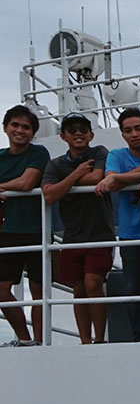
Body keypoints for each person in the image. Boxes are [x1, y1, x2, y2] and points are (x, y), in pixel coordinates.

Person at [41, 112, 112, 345]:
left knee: (93, 283)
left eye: (83, 129)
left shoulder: (99, 152)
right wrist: (77, 174)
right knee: (79, 289)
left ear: (91, 134)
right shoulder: (55, 164)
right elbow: (48, 195)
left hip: (100, 234)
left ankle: (99, 341)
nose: (78, 133)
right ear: (63, 136)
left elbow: (97, 178)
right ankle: (85, 342)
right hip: (72, 237)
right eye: (72, 130)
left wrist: (64, 183)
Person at [95, 108, 140, 341]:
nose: (134, 134)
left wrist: (118, 177)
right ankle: (139, 337)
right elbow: (110, 184)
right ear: (122, 134)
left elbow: (115, 180)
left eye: (138, 129)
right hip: (129, 233)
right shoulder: (116, 155)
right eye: (128, 130)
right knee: (133, 288)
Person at [0, 105, 50, 345]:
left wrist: (2, 186)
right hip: (7, 230)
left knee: (39, 292)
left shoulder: (38, 152)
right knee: (1, 291)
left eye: (26, 127)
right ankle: (25, 340)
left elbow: (27, 182)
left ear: (33, 133)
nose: (20, 130)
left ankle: (39, 342)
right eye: (15, 125)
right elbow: (19, 182)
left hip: (37, 230)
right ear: (5, 127)